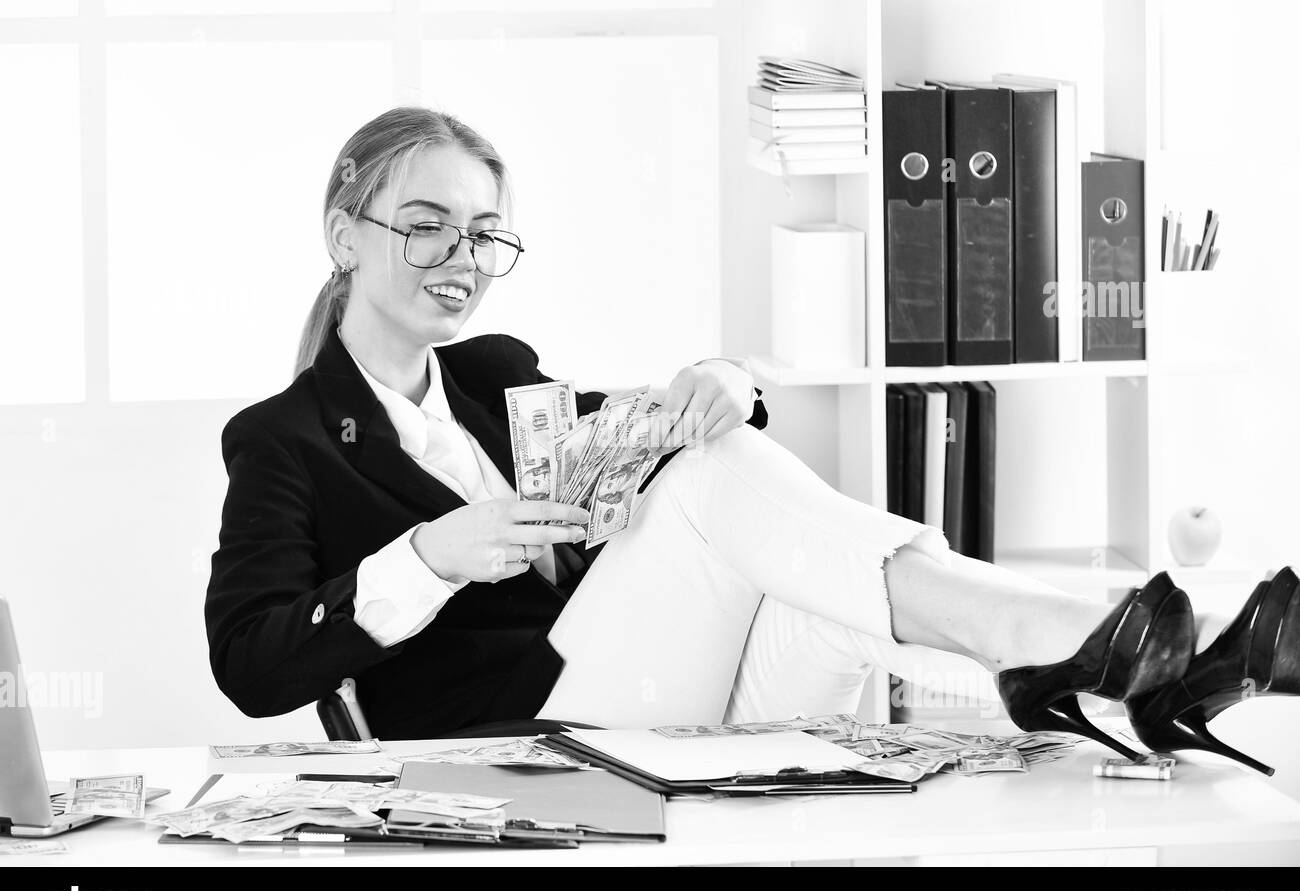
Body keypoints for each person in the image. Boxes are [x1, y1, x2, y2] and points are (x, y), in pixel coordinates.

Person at [205, 107, 1297, 773]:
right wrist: (435, 555)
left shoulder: (496, 373)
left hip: (646, 700)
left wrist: (729, 379)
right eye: (426, 224)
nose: (462, 254)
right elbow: (252, 664)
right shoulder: (285, 440)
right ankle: (1088, 642)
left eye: (484, 231)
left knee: (814, 582)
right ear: (345, 236)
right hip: (522, 741)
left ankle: (1129, 676)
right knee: (714, 484)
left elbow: (660, 435)